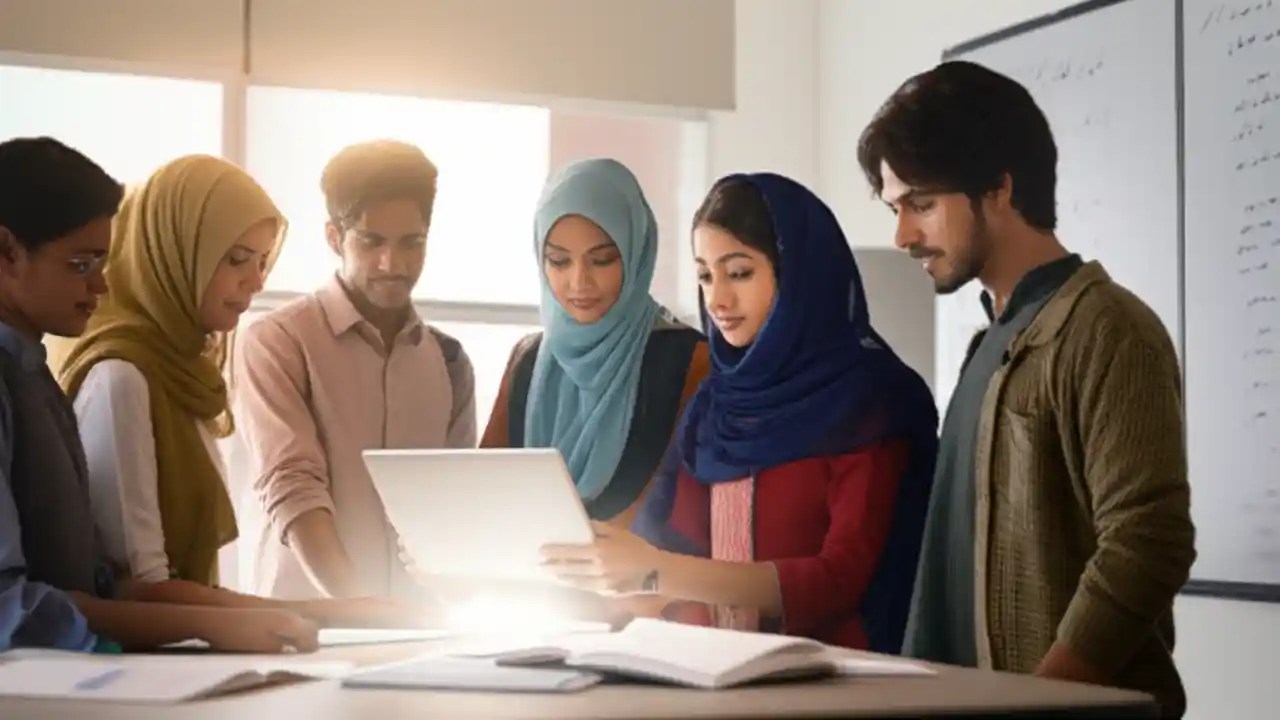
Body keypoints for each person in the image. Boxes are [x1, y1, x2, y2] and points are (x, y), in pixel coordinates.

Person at [856, 60, 1195, 716]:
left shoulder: (1107, 329)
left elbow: (1149, 540)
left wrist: (1038, 701)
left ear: (999, 189)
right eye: (896, 209)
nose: (902, 236)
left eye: (922, 204)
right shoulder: (991, 344)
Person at [541, 173, 939, 653]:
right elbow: (663, 546)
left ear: (799, 274)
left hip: (837, 687)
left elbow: (842, 578)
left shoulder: (872, 399)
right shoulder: (714, 407)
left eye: (740, 272)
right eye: (706, 275)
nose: (718, 300)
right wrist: (596, 571)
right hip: (710, 677)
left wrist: (655, 572)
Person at [54, 153, 423, 628]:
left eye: (263, 260)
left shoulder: (186, 373)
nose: (256, 280)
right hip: (143, 663)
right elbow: (140, 584)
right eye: (235, 260)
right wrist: (333, 612)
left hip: (183, 650)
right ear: (176, 252)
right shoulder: (122, 376)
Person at [0, 137, 318, 652]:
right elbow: (13, 608)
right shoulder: (111, 372)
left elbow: (99, 583)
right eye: (80, 265)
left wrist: (307, 614)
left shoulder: (33, 373)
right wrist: (205, 625)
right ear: (8, 251)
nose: (100, 286)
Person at [234, 139, 475, 600]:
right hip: (304, 632)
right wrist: (361, 610)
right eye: (371, 242)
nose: (393, 264)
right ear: (333, 237)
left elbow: (454, 508)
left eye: (411, 243)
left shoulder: (451, 363)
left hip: (420, 633)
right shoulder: (278, 342)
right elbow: (293, 487)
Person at [482, 158, 709, 526]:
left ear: (637, 253)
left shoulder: (690, 361)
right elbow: (485, 493)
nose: (578, 282)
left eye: (602, 260)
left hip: (649, 581)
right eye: (558, 261)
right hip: (530, 578)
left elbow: (690, 515)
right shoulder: (527, 359)